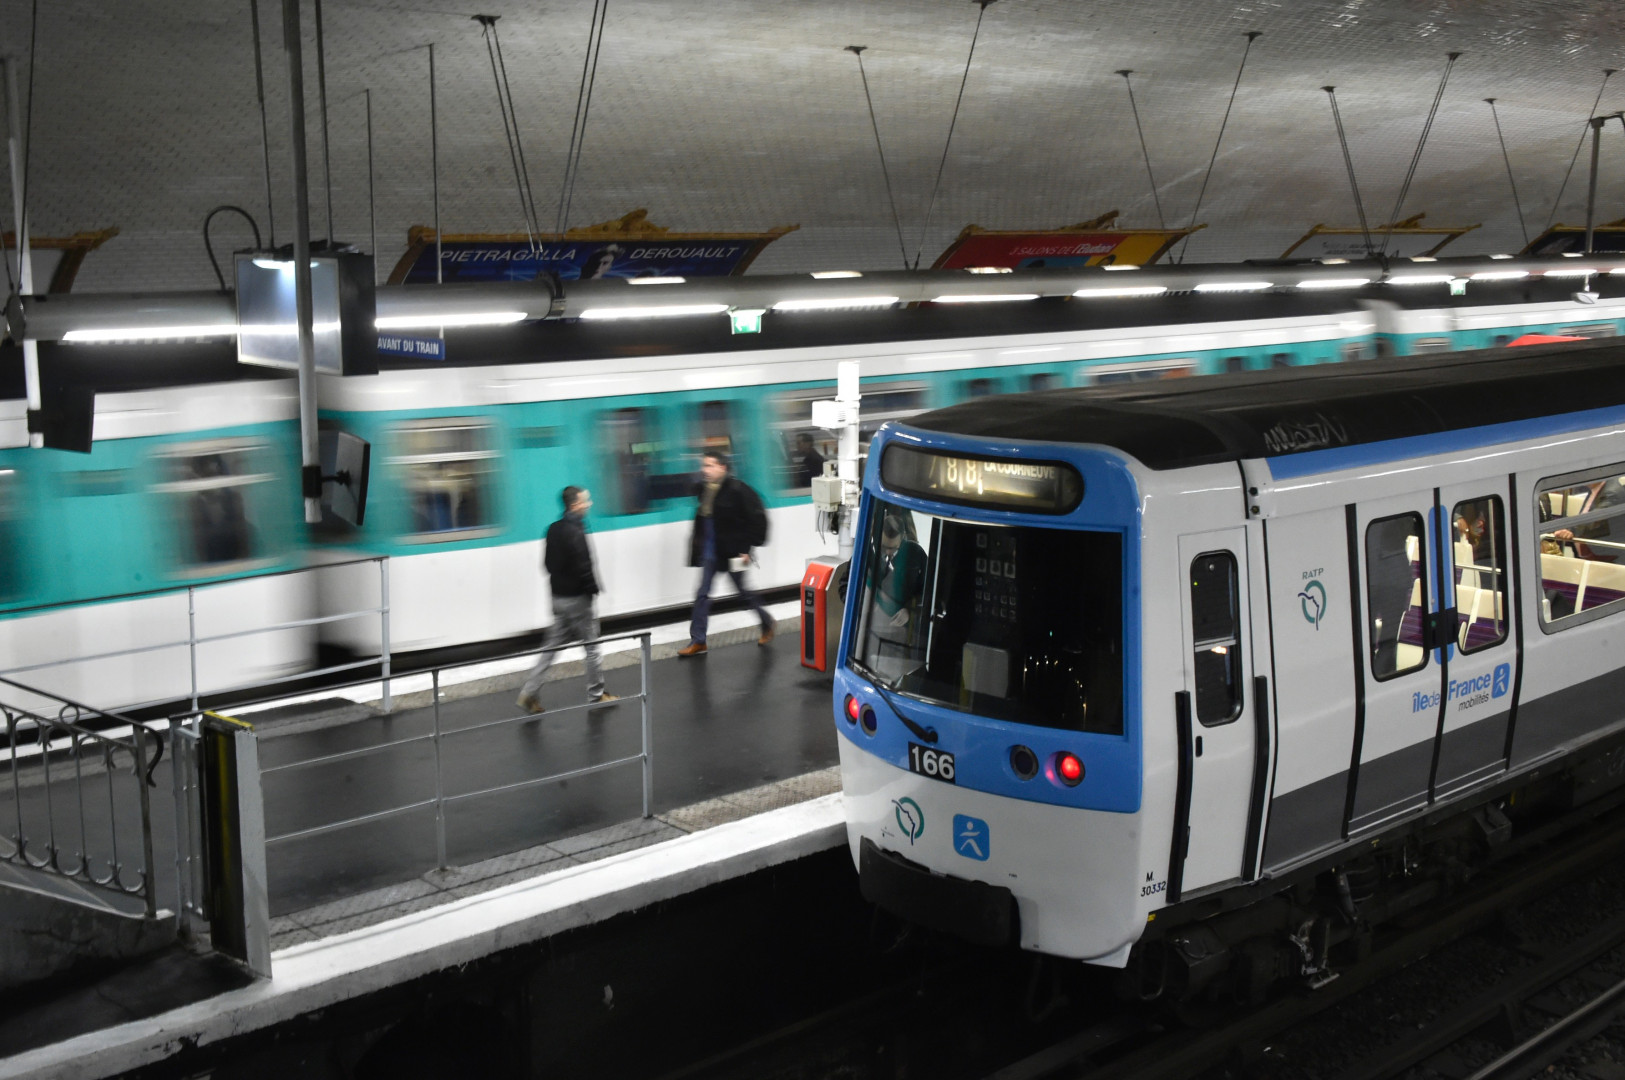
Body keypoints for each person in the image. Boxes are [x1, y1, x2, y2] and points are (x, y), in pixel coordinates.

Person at [517, 486, 618, 713]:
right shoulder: (576, 531)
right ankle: (596, 695)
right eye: (586, 501)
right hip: (577, 601)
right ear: (575, 505)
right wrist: (592, 590)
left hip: (557, 599)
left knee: (551, 648)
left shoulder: (553, 529)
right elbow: (585, 566)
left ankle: (529, 693)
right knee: (591, 648)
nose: (589, 504)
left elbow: (547, 566)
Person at [677, 450, 774, 656]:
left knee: (744, 593)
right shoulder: (704, 489)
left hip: (733, 553)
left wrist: (746, 549)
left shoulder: (738, 489)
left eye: (710, 465)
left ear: (723, 467)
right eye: (704, 466)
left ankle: (766, 622)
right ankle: (698, 640)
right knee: (702, 594)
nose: (706, 470)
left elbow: (756, 519)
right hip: (711, 552)